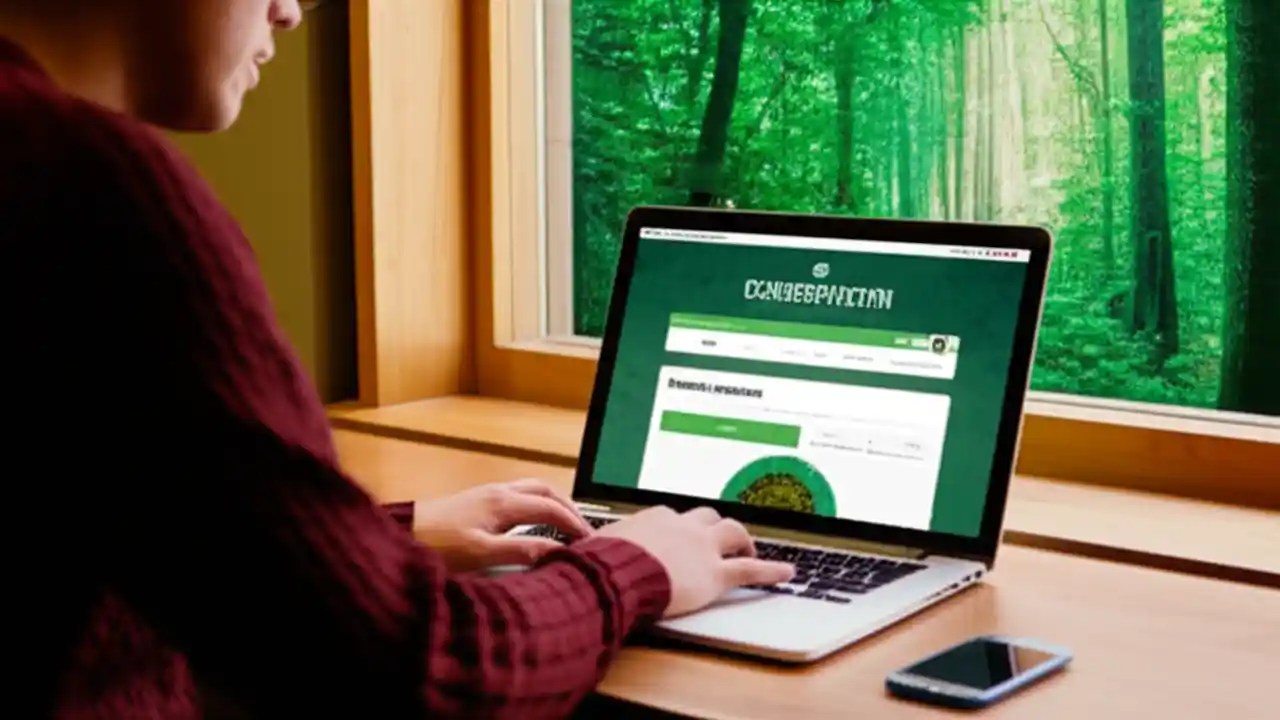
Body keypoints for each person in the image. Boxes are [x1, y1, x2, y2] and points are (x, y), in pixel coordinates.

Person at [0, 1, 794, 718]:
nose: (291, 15)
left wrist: (379, 542)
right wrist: (635, 568)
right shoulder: (88, 189)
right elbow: (412, 671)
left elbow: (131, 519)